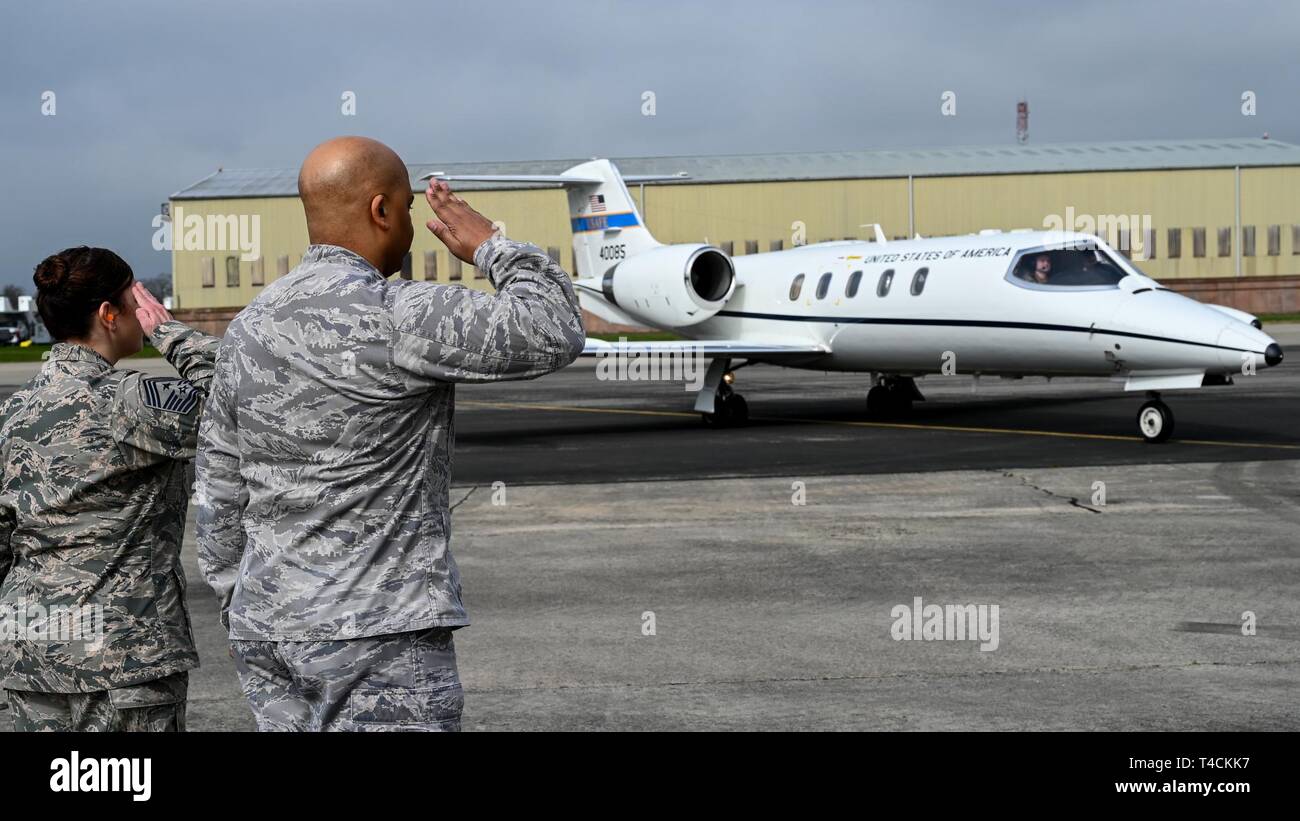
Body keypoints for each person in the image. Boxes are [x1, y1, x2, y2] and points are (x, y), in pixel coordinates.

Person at [195, 136, 585, 732]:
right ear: (381, 210)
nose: (409, 223)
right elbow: (553, 328)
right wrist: (494, 248)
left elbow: (218, 490)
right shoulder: (397, 313)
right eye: (405, 207)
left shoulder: (249, 328)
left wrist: (240, 603)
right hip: (377, 632)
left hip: (268, 629)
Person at [0, 247, 218, 731]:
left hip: (30, 650)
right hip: (121, 655)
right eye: (135, 300)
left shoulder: (12, 414)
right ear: (108, 313)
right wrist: (172, 335)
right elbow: (242, 397)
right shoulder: (128, 400)